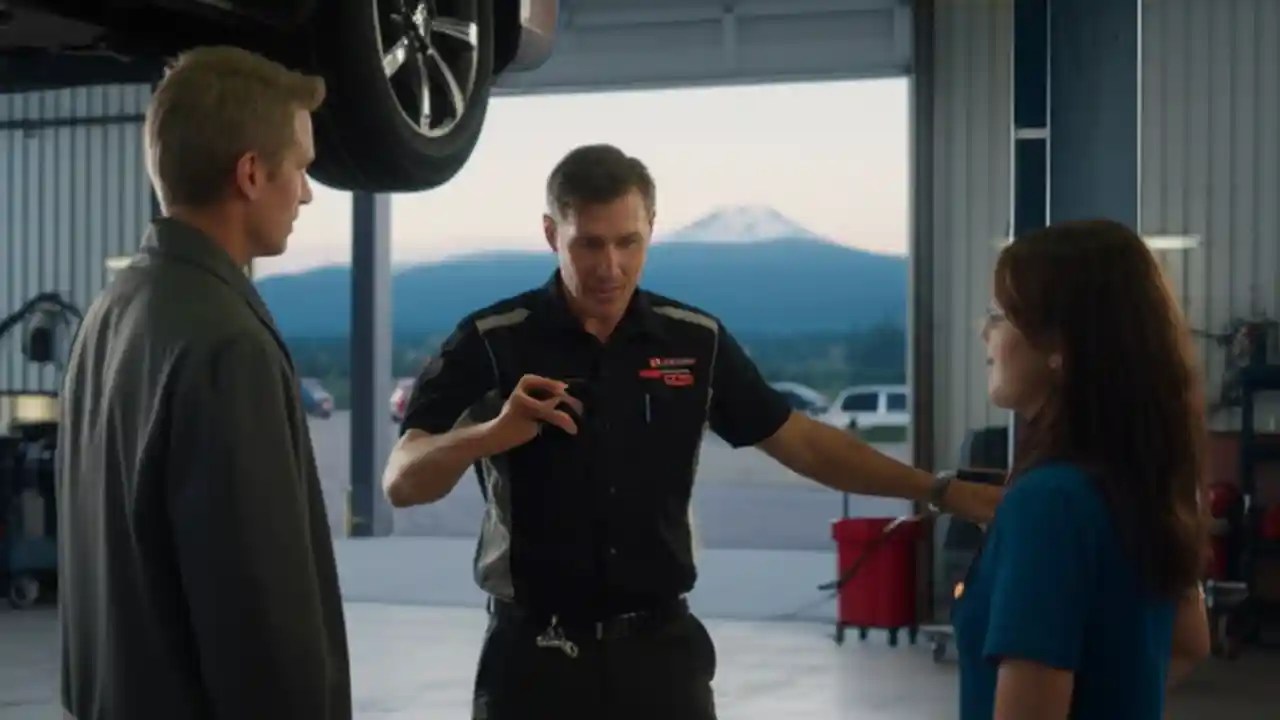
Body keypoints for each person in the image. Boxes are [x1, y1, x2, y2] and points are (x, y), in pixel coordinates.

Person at [381, 143, 1004, 720]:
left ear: (652, 229)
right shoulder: (492, 340)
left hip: (661, 657)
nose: (610, 266)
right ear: (551, 233)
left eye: (628, 241)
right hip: (534, 659)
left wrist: (939, 489)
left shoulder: (693, 341)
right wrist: (492, 433)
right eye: (589, 245)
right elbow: (401, 482)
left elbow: (804, 442)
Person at [56, 46, 351, 720]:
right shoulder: (227, 343)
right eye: (301, 168)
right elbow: (259, 619)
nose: (306, 193)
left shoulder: (111, 313)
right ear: (251, 173)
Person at [953, 219, 1212, 720]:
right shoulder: (1143, 479)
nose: (983, 330)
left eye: (1000, 315)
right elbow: (1189, 642)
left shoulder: (1048, 502)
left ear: (1061, 347)